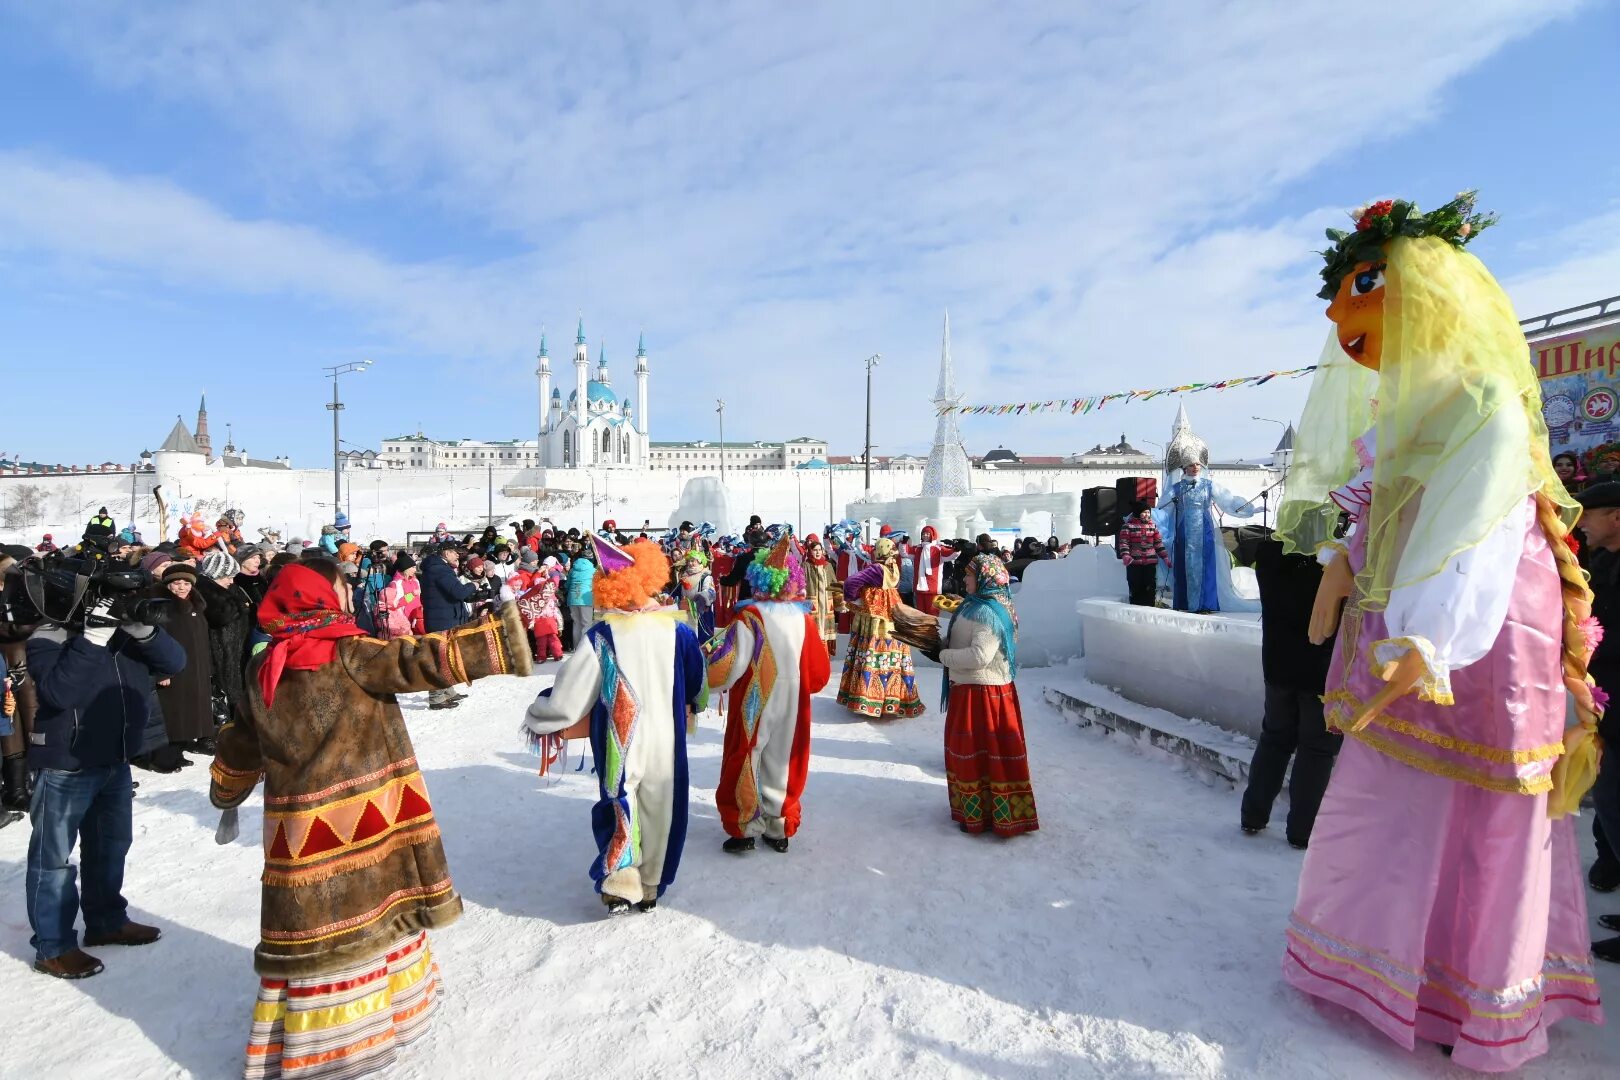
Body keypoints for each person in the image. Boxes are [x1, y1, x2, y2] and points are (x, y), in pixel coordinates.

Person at [1278, 192, 1602, 1068]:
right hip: (1419, 624)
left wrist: (1434, 634)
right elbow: (1388, 509)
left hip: (1487, 632)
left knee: (1477, 806)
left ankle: (1472, 992)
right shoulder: (1406, 412)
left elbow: (1483, 523)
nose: (1351, 324)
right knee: (1398, 800)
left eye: (1371, 290)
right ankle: (1388, 969)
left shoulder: (1483, 400)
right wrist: (1345, 566)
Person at [210, 559, 531, 1079]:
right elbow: (417, 661)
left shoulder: (261, 664)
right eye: (341, 585)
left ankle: (319, 1036)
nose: (349, 592)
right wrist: (502, 636)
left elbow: (241, 739)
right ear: (321, 596)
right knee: (378, 910)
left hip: (301, 831)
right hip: (365, 817)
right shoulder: (348, 651)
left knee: (318, 930)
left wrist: (226, 790)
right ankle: (356, 1037)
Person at [522, 536, 706, 915]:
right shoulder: (680, 631)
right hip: (667, 739)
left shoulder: (602, 636)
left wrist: (541, 711)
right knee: (663, 805)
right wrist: (691, 705)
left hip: (621, 737)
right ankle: (653, 881)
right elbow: (697, 682)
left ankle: (622, 880)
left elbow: (569, 695)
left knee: (620, 801)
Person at [26, 581, 185, 978]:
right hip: (67, 761)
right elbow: (60, 693)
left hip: (115, 758)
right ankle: (53, 945)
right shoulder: (49, 636)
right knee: (54, 860)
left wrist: (138, 629)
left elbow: (175, 662)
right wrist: (94, 634)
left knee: (110, 846)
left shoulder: (123, 635)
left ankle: (106, 921)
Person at [705, 532, 830, 853]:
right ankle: (779, 827)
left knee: (746, 755)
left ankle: (744, 826)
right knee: (784, 759)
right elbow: (819, 675)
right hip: (793, 701)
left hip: (756, 700)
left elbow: (729, 666)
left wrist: (705, 682)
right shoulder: (804, 618)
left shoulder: (750, 617)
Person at [1238, 539, 1340, 847]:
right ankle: (1301, 830)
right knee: (1317, 749)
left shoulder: (1269, 555)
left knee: (1274, 739)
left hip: (1278, 665)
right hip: (1319, 671)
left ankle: (1253, 814)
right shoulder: (1334, 562)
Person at [935, 552, 1037, 837]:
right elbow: (962, 641)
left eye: (969, 574)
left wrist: (943, 656)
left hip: (983, 693)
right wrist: (936, 643)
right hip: (969, 688)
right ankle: (975, 811)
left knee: (985, 756)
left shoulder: (988, 612)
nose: (965, 578)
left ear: (982, 578)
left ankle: (992, 816)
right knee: (971, 756)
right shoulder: (971, 606)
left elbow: (980, 655)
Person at [1573, 481, 1620, 963]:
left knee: (1612, 802)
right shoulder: (1600, 562)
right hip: (1605, 703)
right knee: (1609, 806)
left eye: (1591, 515)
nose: (1582, 522)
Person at [1155, 410, 1258, 613]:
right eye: (1191, 465)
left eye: (1197, 465)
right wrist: (1144, 514)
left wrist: (1248, 508)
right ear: (1184, 468)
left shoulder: (1209, 486)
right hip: (1184, 533)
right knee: (1186, 567)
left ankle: (1205, 604)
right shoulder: (1176, 489)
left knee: (1205, 568)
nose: (1195, 468)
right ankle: (1186, 603)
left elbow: (1228, 500)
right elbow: (1163, 510)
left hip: (1205, 532)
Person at [837, 536, 924, 719]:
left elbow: (852, 582)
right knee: (892, 656)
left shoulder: (876, 568)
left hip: (874, 621)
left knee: (872, 653)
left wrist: (855, 597)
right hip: (892, 616)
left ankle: (867, 698)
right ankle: (892, 700)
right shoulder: (894, 567)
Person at [153, 562, 216, 753]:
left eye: (186, 583)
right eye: (177, 583)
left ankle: (199, 736)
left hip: (198, 663)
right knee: (176, 705)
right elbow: (156, 642)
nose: (182, 588)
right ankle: (175, 744)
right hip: (174, 665)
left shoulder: (197, 605)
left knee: (199, 702)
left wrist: (208, 665)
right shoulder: (161, 607)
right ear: (168, 585)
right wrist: (161, 671)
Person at [419, 544, 476, 710]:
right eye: (455, 553)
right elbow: (458, 592)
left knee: (446, 657)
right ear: (446, 552)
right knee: (441, 658)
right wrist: (474, 585)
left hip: (443, 618)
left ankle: (447, 691)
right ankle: (436, 697)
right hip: (442, 621)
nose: (458, 556)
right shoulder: (440, 569)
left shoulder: (438, 567)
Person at [1116, 501, 1170, 606]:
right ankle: (1136, 606)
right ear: (1137, 512)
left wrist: (1165, 557)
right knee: (1135, 585)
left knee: (1150, 585)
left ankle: (1149, 606)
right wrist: (1126, 555)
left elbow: (1158, 543)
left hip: (1150, 562)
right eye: (1144, 512)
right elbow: (1124, 543)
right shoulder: (1128, 527)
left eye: (1148, 512)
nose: (1147, 515)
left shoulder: (1152, 526)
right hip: (1134, 562)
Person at [802, 533, 840, 657]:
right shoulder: (805, 566)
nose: (818, 553)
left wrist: (840, 602)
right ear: (810, 551)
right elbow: (800, 585)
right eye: (814, 550)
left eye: (819, 550)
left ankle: (824, 656)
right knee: (814, 631)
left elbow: (834, 585)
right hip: (812, 604)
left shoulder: (828, 566)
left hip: (826, 603)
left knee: (825, 631)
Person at [910, 525, 951, 616]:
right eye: (923, 534)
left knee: (933, 612)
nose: (925, 535)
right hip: (919, 587)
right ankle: (921, 629)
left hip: (933, 587)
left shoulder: (938, 549)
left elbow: (950, 554)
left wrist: (956, 549)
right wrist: (904, 543)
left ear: (932, 535)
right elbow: (905, 552)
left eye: (927, 534)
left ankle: (933, 629)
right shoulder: (917, 548)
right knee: (920, 613)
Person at [566, 546, 595, 637]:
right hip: (586, 599)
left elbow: (568, 585)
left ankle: (577, 648)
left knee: (576, 623)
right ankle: (585, 649)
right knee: (587, 624)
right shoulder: (593, 570)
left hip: (572, 599)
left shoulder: (572, 569)